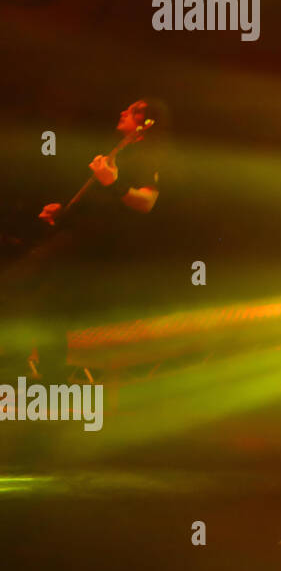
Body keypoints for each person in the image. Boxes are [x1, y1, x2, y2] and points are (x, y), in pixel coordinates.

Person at [0, 98, 163, 388]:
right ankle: (44, 374)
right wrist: (64, 212)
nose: (123, 111)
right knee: (45, 304)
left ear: (146, 122)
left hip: (93, 245)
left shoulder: (148, 154)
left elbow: (147, 202)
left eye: (132, 110)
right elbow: (100, 201)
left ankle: (22, 368)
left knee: (21, 289)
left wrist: (113, 183)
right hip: (76, 235)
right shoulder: (120, 150)